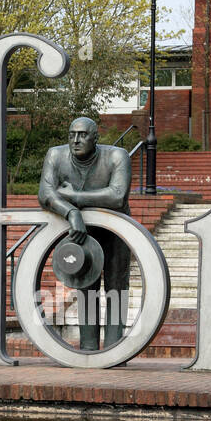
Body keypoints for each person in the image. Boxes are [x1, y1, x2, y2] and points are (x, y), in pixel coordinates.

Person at [37, 117, 132, 350]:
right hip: (82, 232)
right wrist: (71, 212)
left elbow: (117, 196)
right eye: (72, 134)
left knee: (116, 288)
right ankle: (88, 347)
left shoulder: (117, 156)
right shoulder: (55, 156)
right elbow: (45, 193)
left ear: (95, 138)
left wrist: (73, 197)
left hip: (115, 231)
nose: (76, 140)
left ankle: (114, 348)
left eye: (82, 135)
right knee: (86, 286)